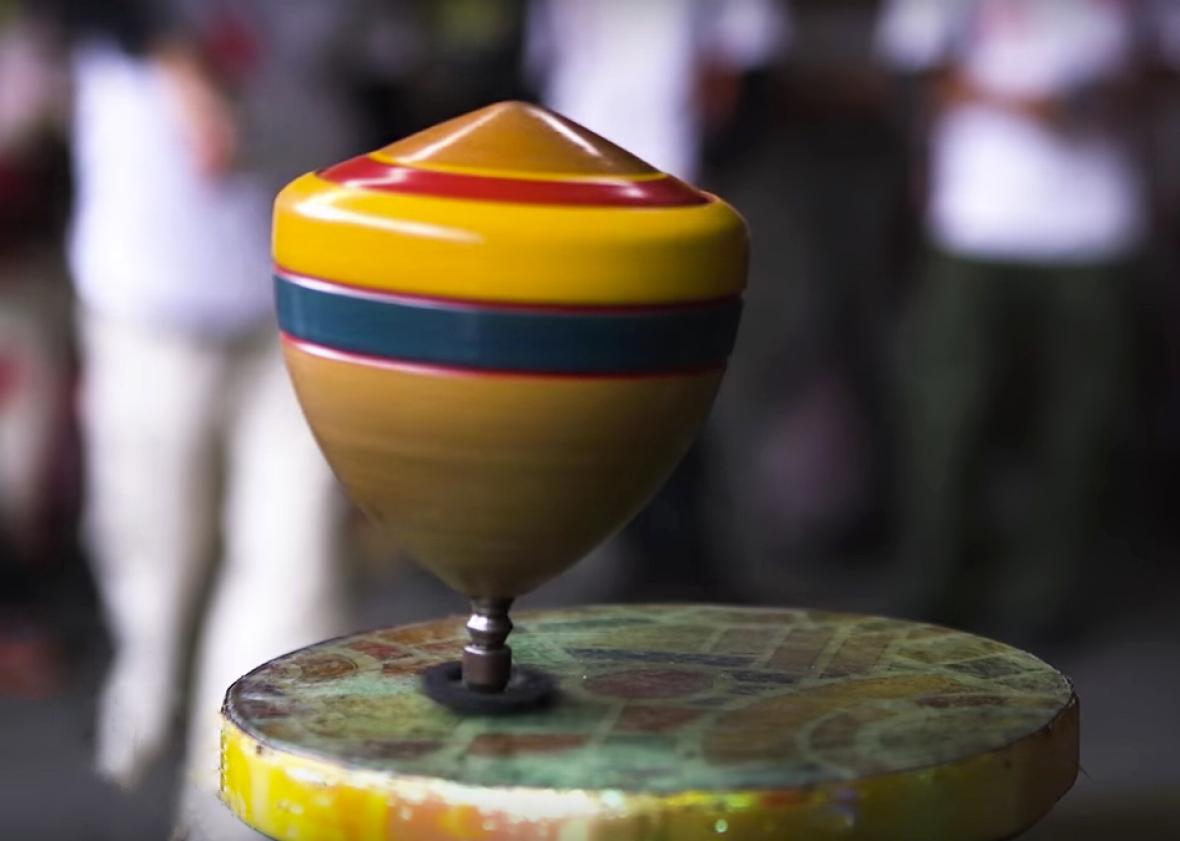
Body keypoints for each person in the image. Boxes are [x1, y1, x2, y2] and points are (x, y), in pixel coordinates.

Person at [40, 1, 409, 835]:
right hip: (149, 302)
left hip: (303, 310)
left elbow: (388, 85)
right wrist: (175, 61)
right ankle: (152, 688)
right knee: (160, 565)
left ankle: (224, 809)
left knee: (295, 569)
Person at [877, 0, 1179, 637]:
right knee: (946, 415)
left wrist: (1114, 96)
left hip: (1098, 227)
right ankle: (935, 590)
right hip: (976, 220)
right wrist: (1025, 106)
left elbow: (1164, 65)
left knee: (1080, 425)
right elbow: (916, 72)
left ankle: (1037, 604)